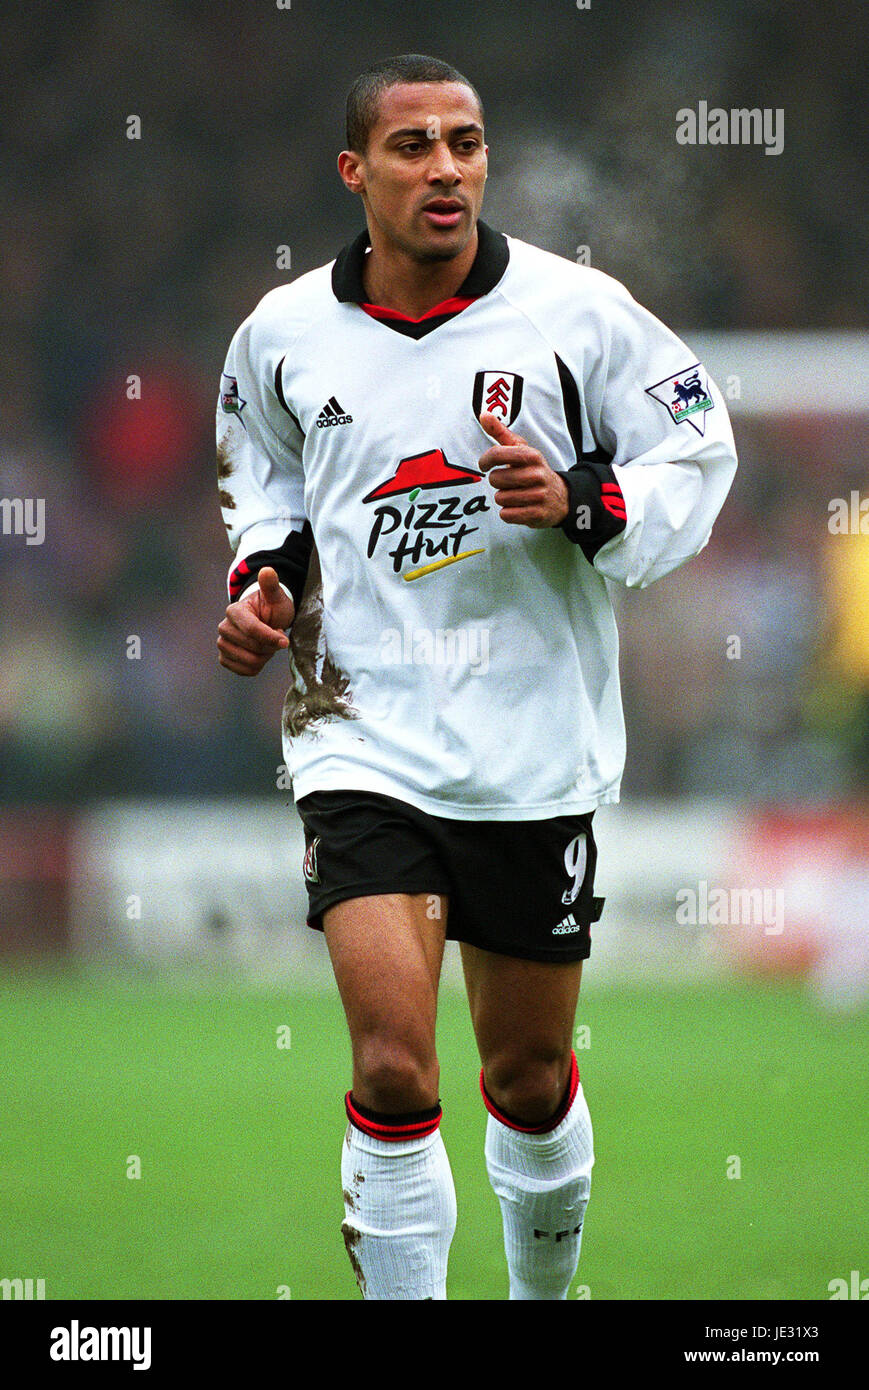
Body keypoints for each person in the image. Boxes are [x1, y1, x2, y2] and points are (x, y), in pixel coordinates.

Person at [215, 53, 737, 1301]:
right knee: (394, 1066)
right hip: (358, 732)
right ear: (354, 172)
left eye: (465, 142)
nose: (444, 167)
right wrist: (261, 582)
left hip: (530, 742)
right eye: (411, 147)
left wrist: (584, 500)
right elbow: (264, 475)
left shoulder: (578, 313)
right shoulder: (280, 332)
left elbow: (698, 445)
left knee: (525, 1080)